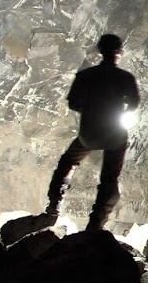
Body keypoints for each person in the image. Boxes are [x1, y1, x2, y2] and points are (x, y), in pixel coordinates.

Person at [44, 34, 140, 230]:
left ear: (99, 50)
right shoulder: (125, 78)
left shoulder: (85, 75)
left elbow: (73, 103)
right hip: (114, 133)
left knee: (67, 163)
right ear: (119, 52)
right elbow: (133, 104)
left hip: (89, 132)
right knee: (110, 178)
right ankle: (97, 222)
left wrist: (90, 110)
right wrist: (118, 110)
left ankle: (54, 205)